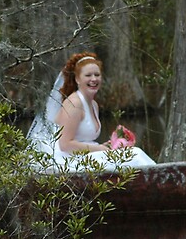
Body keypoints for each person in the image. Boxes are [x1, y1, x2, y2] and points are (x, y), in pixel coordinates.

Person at [27, 52, 156, 172]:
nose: (93, 79)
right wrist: (99, 149)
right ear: (77, 79)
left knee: (131, 153)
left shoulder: (94, 105)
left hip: (86, 155)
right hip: (69, 159)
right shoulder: (74, 103)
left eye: (97, 75)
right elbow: (65, 145)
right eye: (88, 75)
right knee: (135, 155)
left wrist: (110, 145)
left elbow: (83, 140)